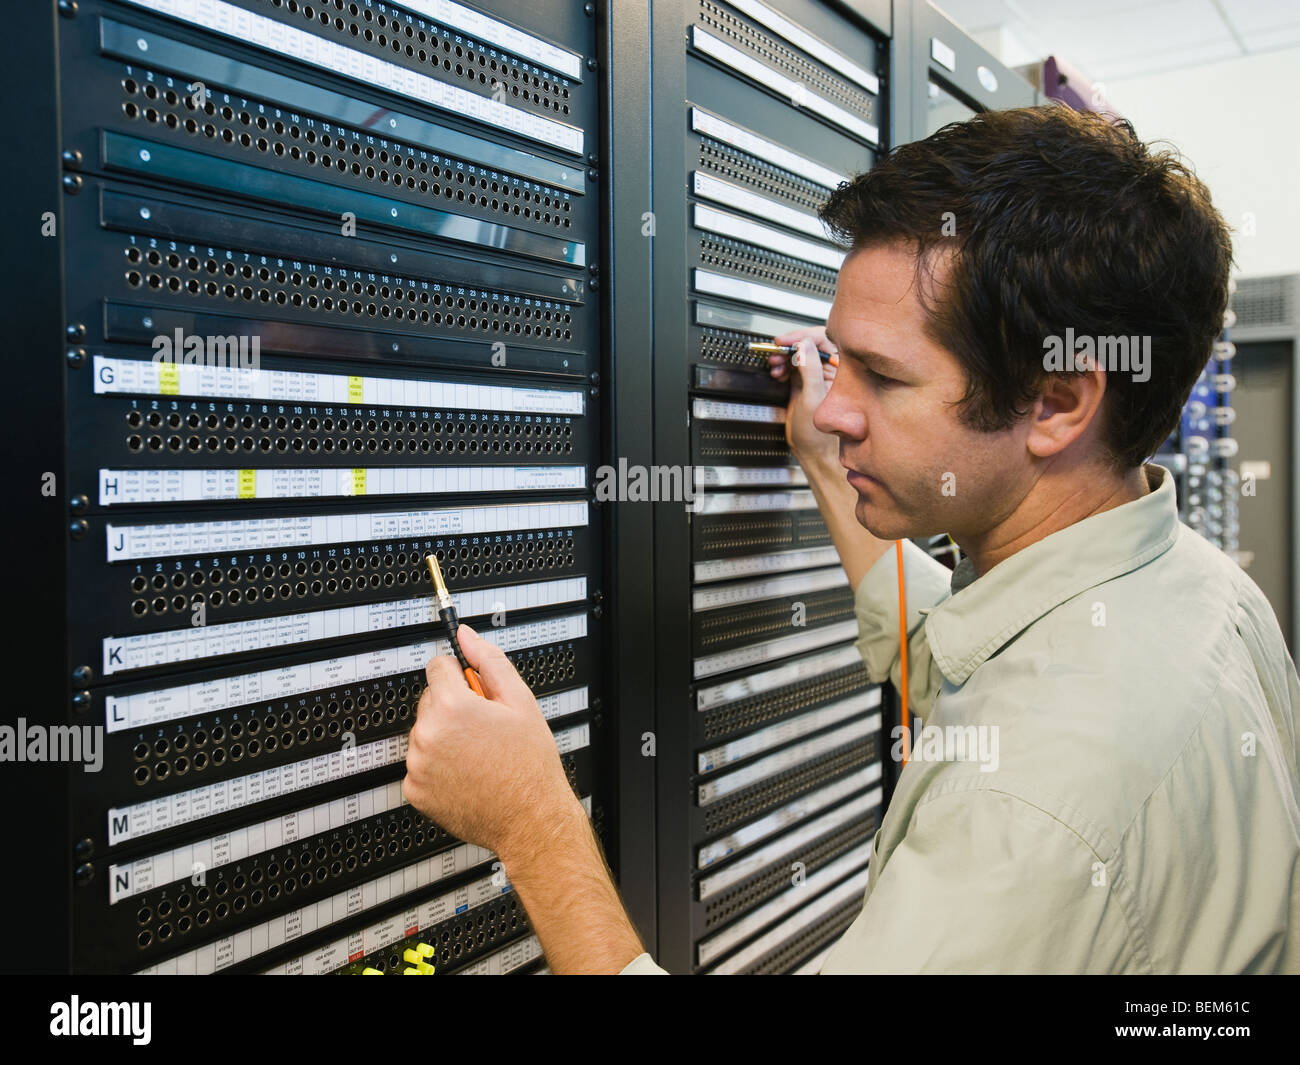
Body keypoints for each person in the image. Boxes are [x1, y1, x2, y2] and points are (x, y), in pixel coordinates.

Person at [401, 106, 1300, 974]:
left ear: (1059, 401)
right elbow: (962, 660)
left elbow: (1031, 755)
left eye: (879, 374)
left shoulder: (1030, 813)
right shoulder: (1201, 594)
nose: (834, 406)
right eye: (841, 362)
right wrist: (831, 465)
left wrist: (533, 825)